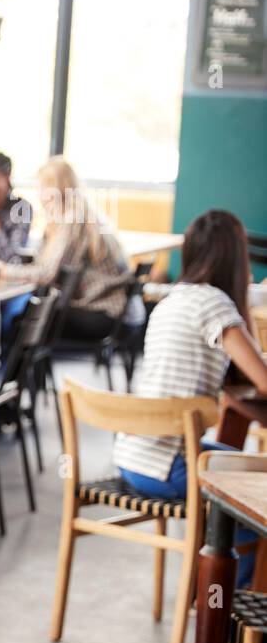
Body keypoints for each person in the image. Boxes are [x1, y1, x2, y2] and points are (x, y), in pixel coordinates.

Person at [115, 210, 265, 588]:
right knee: (251, 507)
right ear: (236, 258)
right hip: (169, 466)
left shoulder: (172, 299)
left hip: (134, 458)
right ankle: (230, 615)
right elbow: (263, 379)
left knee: (247, 469)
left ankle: (209, 602)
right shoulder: (215, 304)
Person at [0, 157, 129, 343]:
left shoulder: (72, 221)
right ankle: (27, 371)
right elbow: (47, 264)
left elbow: (47, 274)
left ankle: (12, 372)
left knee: (22, 321)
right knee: (26, 315)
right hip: (110, 311)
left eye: (41, 188)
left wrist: (2, 270)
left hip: (101, 313)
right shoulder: (79, 215)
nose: (39, 195)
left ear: (54, 190)